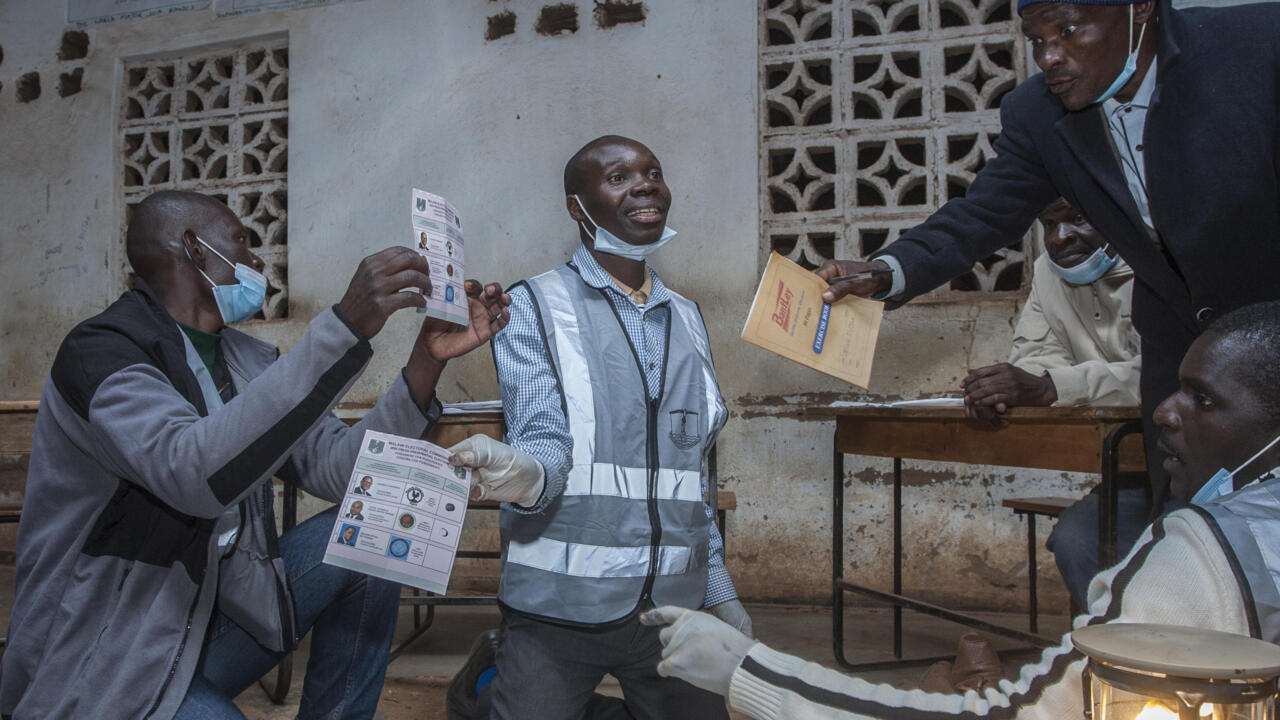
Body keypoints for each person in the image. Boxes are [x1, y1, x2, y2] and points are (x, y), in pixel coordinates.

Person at [0, 190, 511, 720]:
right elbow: (191, 474)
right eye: (241, 242)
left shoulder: (245, 358)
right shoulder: (104, 352)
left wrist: (424, 362)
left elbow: (341, 469)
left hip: (211, 625)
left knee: (377, 532)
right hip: (109, 651)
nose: (256, 260)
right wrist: (343, 326)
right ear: (196, 250)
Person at [643, 301, 1280, 720]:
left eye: (1202, 398)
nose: (1165, 411)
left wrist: (747, 671)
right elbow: (1034, 359)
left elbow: (1019, 716)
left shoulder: (1201, 553)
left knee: (1081, 539)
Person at [817, 0, 1280, 517]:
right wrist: (885, 270)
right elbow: (983, 214)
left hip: (1271, 339)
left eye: (1067, 30)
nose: (1048, 57)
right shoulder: (1039, 113)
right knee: (1194, 527)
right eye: (1036, 39)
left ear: (1140, 9)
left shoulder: (1256, 46)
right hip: (1178, 358)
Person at [446, 135, 748, 720]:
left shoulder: (686, 316)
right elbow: (543, 434)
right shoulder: (534, 303)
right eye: (618, 177)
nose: (644, 184)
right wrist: (527, 474)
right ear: (576, 204)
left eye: (653, 172)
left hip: (671, 611)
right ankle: (486, 681)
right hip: (560, 610)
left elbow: (691, 477)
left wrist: (719, 591)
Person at [962, 197, 1146, 607]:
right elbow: (1036, 355)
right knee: (1077, 539)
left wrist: (1051, 388)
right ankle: (1110, 653)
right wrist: (1004, 392)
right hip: (1134, 467)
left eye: (1078, 218)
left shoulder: (1159, 265)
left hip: (1201, 467)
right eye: (1049, 224)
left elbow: (1162, 376)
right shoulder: (1048, 272)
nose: (1061, 237)